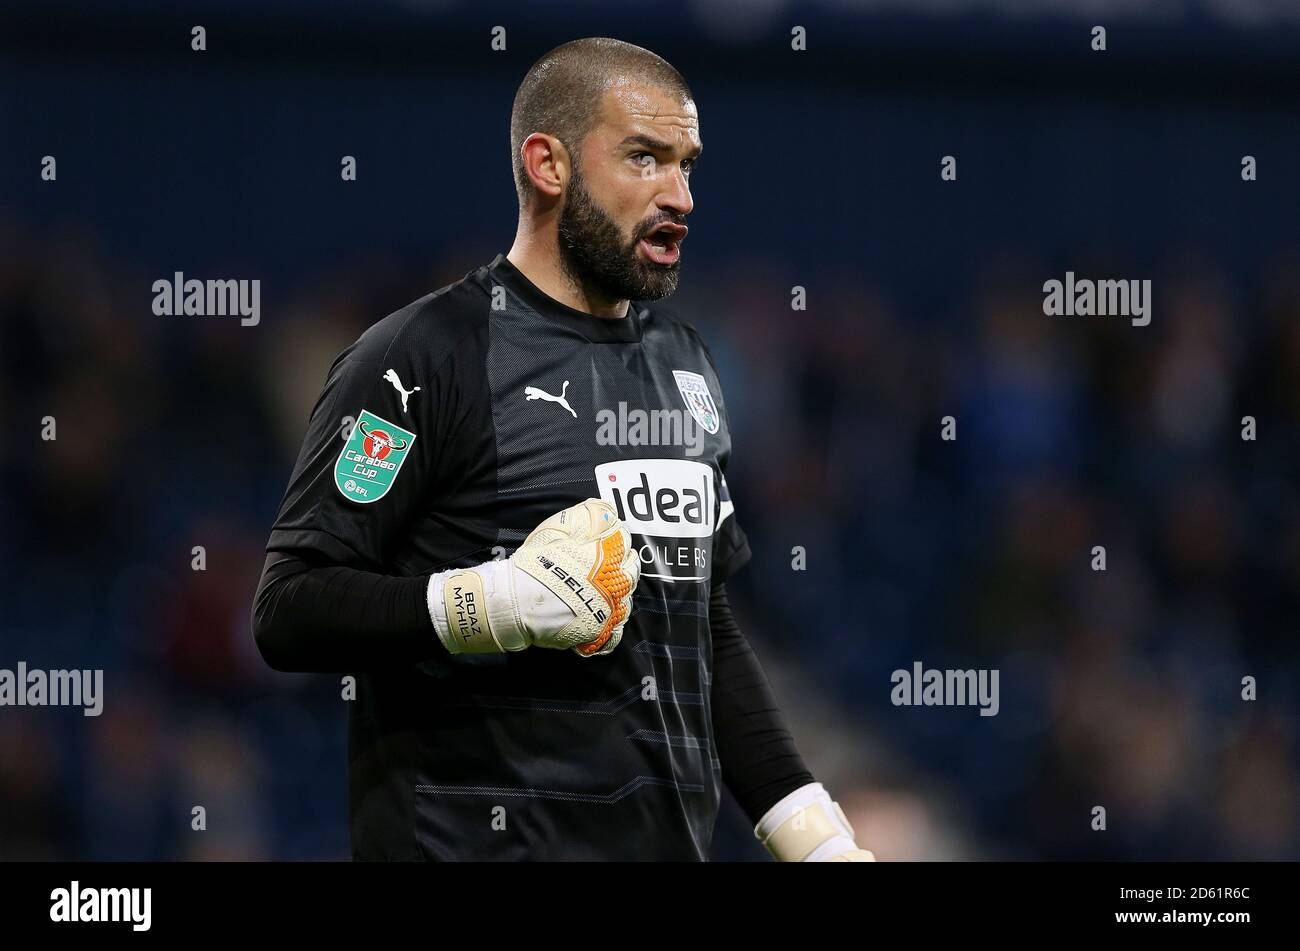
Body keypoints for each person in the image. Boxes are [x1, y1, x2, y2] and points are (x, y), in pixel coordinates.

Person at [252, 36, 872, 862]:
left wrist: (816, 837)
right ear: (548, 164)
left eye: (687, 164)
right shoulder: (421, 357)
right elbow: (289, 609)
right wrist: (492, 604)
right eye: (645, 158)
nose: (679, 194)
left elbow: (704, 626)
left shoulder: (685, 362)